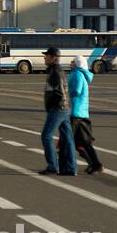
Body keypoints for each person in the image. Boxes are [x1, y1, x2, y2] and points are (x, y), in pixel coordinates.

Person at [38, 46, 77, 176]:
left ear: (53, 58)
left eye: (47, 56)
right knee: (67, 138)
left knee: (46, 136)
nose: (45, 57)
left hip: (58, 108)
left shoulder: (55, 71)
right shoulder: (56, 70)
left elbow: (59, 92)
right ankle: (70, 168)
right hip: (64, 108)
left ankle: (53, 166)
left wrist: (52, 107)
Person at [67, 55, 103, 174]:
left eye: (73, 61)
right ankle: (95, 164)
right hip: (82, 112)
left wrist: (67, 90)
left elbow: (76, 91)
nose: (70, 63)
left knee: (68, 139)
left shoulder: (77, 74)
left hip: (76, 112)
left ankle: (66, 166)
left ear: (77, 64)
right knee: (84, 142)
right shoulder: (81, 74)